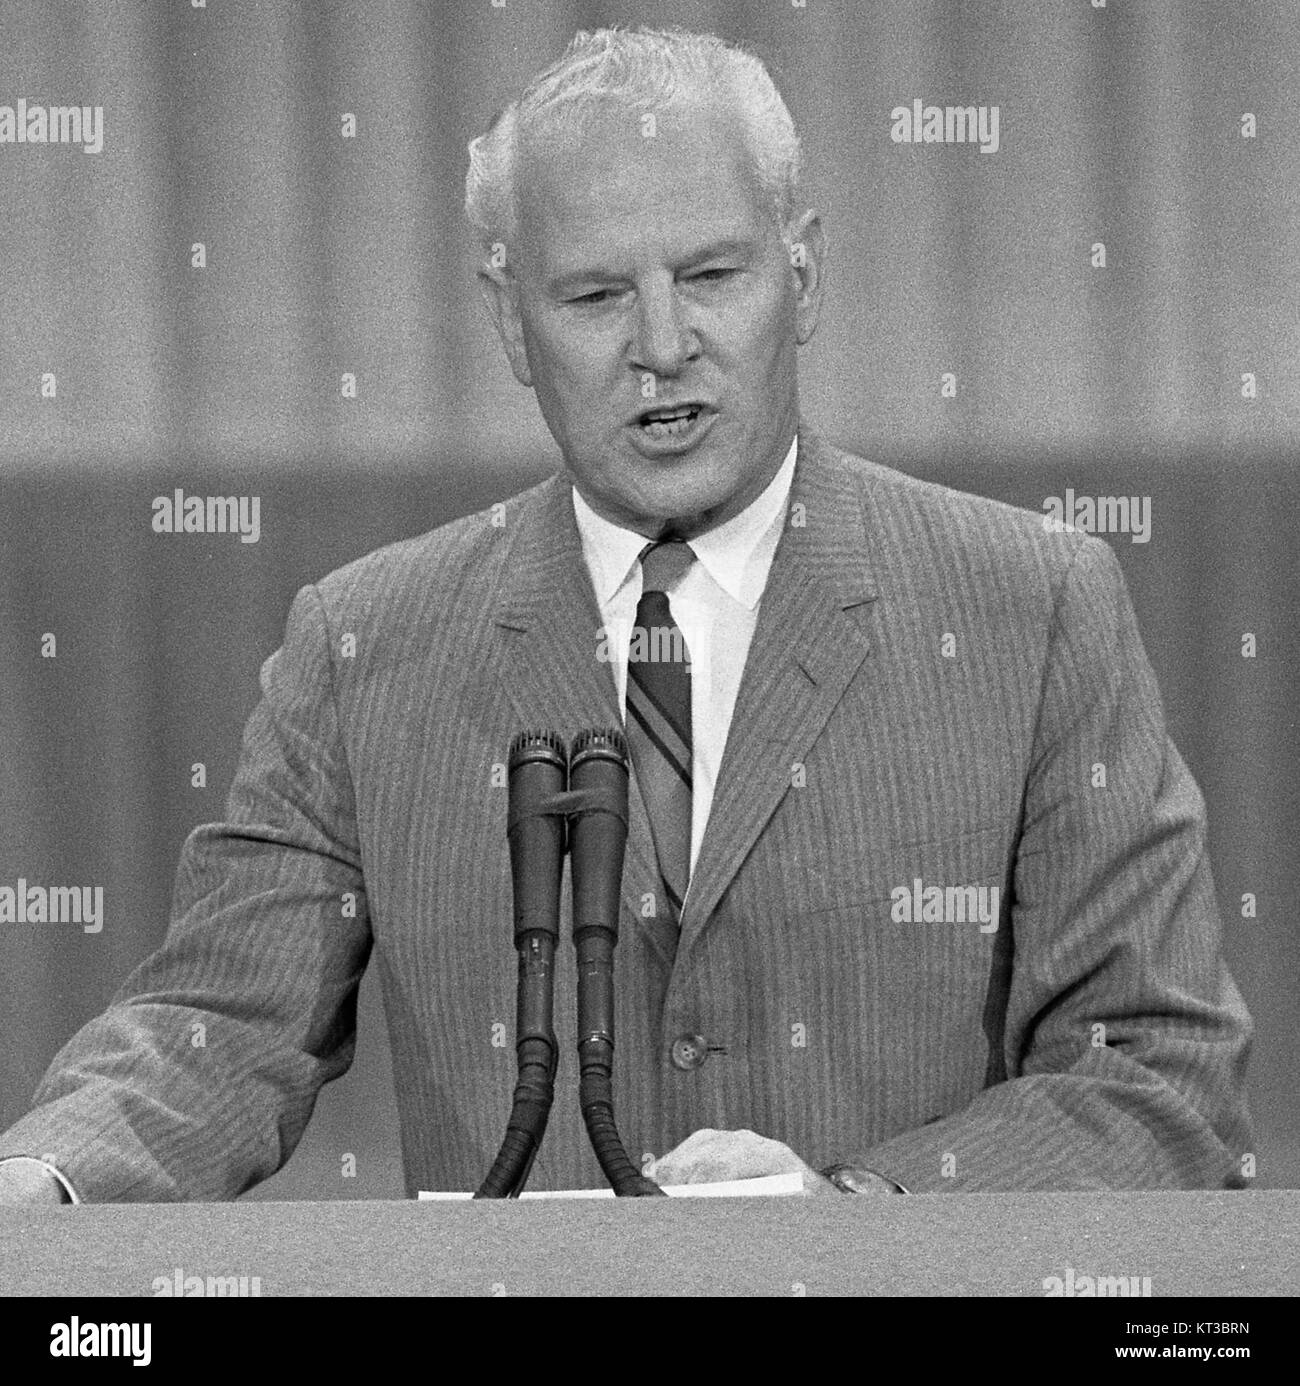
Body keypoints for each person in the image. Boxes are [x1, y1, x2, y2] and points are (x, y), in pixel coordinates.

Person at [0, 27, 1251, 1204]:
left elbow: (1152, 1079)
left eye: (710, 275)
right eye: (595, 297)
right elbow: (216, 1025)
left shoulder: (1029, 606)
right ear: (508, 321)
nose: (663, 344)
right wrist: (46, 1178)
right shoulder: (364, 642)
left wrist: (860, 1214)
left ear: (800, 277)